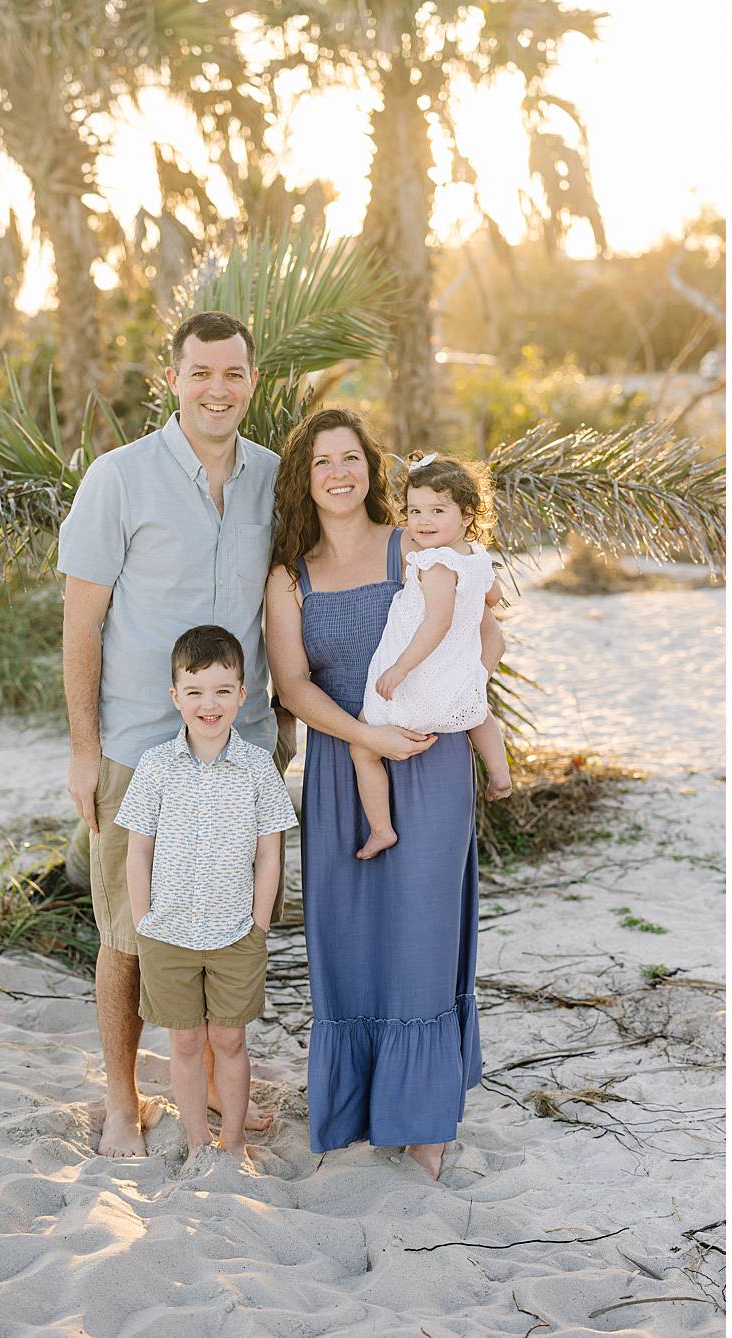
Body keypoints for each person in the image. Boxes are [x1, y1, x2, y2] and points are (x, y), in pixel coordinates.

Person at [58, 311, 290, 1157]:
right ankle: (124, 1102)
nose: (217, 389)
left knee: (233, 923)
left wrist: (285, 727)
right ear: (174, 379)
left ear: (252, 382)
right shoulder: (118, 478)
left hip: (245, 750)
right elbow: (82, 625)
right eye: (201, 373)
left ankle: (225, 1096)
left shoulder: (274, 479)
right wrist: (85, 750)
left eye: (232, 374)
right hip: (135, 749)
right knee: (128, 931)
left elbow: (289, 609)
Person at [263, 407, 503, 1180]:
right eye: (322, 462)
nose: (339, 473)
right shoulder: (289, 575)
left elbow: (481, 624)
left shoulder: (415, 543)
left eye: (351, 459)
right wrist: (367, 736)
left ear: (371, 469)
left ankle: (426, 1121)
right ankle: (362, 1108)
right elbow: (293, 685)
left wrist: (459, 693)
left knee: (422, 935)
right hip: (343, 768)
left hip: (429, 761)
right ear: (305, 479)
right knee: (350, 938)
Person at [116, 626, 297, 1165]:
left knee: (231, 1042)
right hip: (167, 933)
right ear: (176, 698)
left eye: (222, 690)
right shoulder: (154, 767)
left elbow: (270, 853)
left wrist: (259, 924)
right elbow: (137, 852)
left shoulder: (259, 768)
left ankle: (234, 1141)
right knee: (186, 1044)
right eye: (194, 692)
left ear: (242, 695)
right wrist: (145, 920)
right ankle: (198, 1144)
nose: (209, 704)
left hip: (235, 933)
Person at [351, 455, 512, 860]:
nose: (423, 520)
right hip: (455, 679)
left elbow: (437, 622)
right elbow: (492, 595)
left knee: (362, 745)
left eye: (437, 511)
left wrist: (400, 667)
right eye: (416, 510)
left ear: (467, 514)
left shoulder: (435, 563)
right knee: (478, 710)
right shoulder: (475, 556)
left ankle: (382, 828)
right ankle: (500, 774)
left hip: (419, 683)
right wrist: (487, 597)